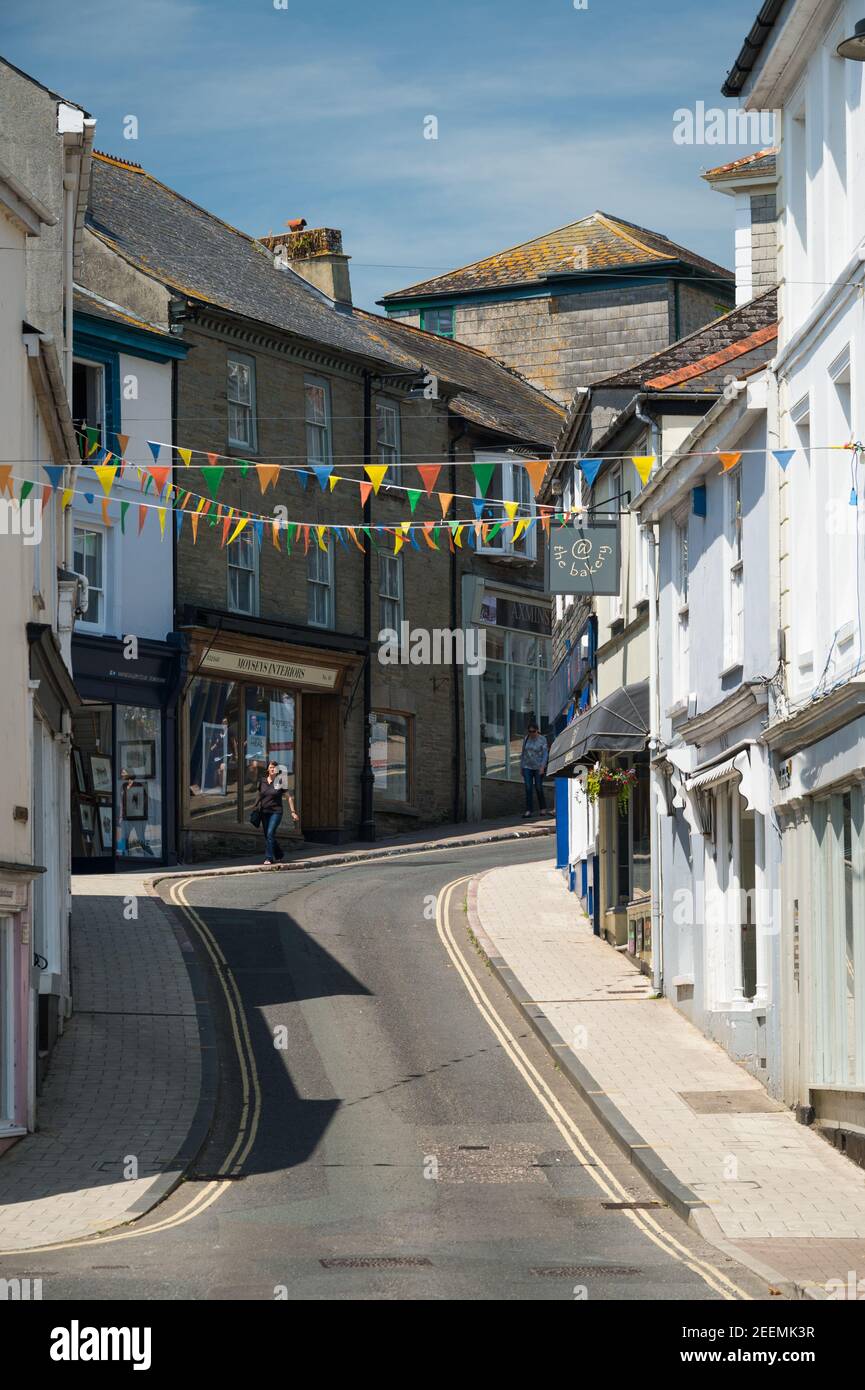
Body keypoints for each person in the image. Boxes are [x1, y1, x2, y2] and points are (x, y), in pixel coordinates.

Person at [255, 759, 299, 865]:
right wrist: (254, 806)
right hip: (264, 812)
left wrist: (293, 812)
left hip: (276, 812)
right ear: (267, 769)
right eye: (271, 767)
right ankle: (279, 854)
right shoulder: (262, 781)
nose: (272, 769)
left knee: (270, 833)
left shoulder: (281, 781)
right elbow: (259, 795)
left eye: (274, 767)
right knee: (268, 836)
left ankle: (269, 858)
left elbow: (289, 797)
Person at [520, 722, 549, 818]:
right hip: (527, 766)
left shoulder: (542, 739)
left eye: (533, 731)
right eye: (529, 731)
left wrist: (542, 767)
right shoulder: (526, 738)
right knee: (528, 788)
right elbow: (523, 753)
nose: (531, 733)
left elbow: (545, 754)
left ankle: (543, 808)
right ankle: (528, 810)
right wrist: (521, 767)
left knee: (538, 787)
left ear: (537, 731)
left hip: (538, 767)